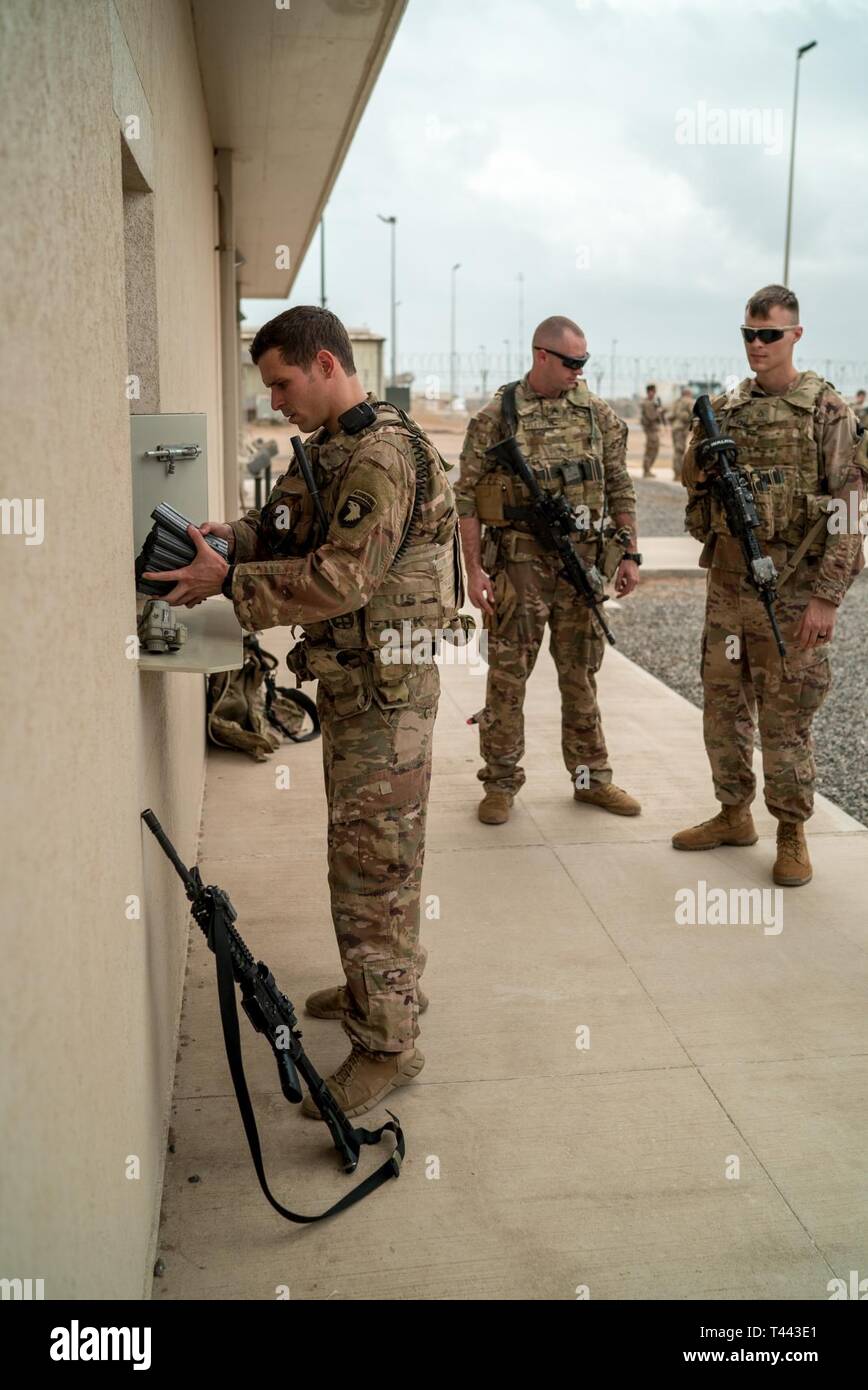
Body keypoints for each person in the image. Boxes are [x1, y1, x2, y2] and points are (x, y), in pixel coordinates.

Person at [143, 305, 461, 1117]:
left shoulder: (383, 455)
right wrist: (233, 540)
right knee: (367, 862)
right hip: (359, 690)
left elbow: (343, 579)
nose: (276, 400)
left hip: (389, 701)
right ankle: (376, 991)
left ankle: (388, 1046)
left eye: (283, 383)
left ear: (325, 365)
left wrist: (228, 585)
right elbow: (282, 525)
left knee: (374, 870)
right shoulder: (330, 450)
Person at [673, 285, 866, 886]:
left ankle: (791, 830)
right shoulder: (727, 411)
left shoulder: (828, 411)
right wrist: (700, 457)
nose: (757, 346)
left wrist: (828, 597)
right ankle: (733, 813)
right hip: (730, 585)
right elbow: (690, 479)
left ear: (796, 336)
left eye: (769, 335)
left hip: (791, 589)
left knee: (786, 716)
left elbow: (851, 511)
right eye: (749, 335)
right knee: (723, 706)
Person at [454, 315, 642, 824]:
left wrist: (629, 551)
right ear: (541, 355)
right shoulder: (498, 416)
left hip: (582, 564)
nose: (579, 371)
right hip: (519, 566)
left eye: (584, 362)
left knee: (580, 676)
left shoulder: (596, 415)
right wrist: (474, 570)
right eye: (571, 362)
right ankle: (499, 784)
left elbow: (621, 485)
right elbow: (465, 499)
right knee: (507, 678)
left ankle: (590, 780)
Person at [668, 387, 694, 481]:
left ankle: (677, 473)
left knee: (677, 451)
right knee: (679, 451)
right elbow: (693, 414)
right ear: (688, 394)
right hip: (681, 429)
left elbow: (670, 416)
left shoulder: (676, 402)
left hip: (675, 428)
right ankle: (678, 474)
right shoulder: (689, 401)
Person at [640, 383, 667, 476]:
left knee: (654, 449)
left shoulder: (652, 402)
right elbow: (651, 416)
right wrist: (658, 411)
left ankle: (647, 470)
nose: (653, 394)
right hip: (650, 429)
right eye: (652, 392)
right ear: (649, 392)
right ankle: (646, 470)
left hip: (653, 429)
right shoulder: (647, 403)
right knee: (651, 449)